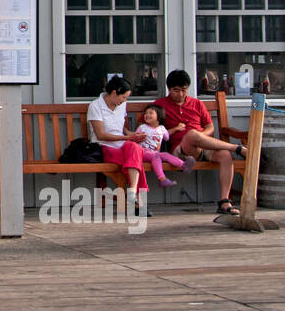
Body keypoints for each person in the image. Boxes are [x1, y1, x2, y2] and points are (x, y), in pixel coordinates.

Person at [155, 69, 246, 215]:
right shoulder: (160, 106)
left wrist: (200, 137)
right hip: (180, 151)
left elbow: (210, 126)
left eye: (184, 90)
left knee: (224, 155)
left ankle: (224, 201)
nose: (180, 94)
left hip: (204, 146)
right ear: (169, 89)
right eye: (176, 90)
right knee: (191, 134)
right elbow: (149, 128)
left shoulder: (197, 104)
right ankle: (237, 148)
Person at [87, 75, 150, 213]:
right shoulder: (95, 106)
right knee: (135, 159)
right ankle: (139, 202)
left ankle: (132, 190)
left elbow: (123, 129)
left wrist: (132, 135)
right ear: (114, 92)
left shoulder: (122, 105)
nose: (125, 100)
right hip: (104, 146)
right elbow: (101, 135)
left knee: (135, 148)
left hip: (122, 144)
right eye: (124, 97)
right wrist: (126, 138)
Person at [135, 104, 194, 188]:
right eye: (146, 113)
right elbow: (135, 139)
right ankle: (162, 179)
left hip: (155, 154)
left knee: (164, 155)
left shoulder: (162, 128)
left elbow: (166, 137)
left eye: (151, 113)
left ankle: (183, 165)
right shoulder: (142, 127)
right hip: (142, 153)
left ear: (159, 117)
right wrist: (139, 137)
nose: (147, 115)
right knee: (157, 156)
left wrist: (177, 128)